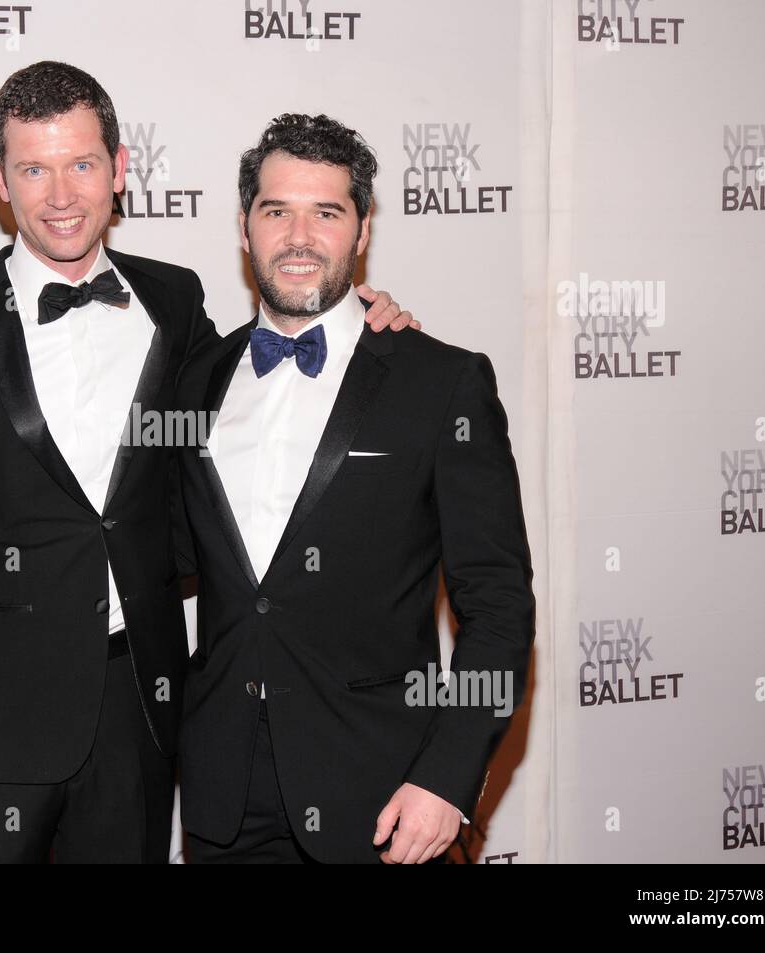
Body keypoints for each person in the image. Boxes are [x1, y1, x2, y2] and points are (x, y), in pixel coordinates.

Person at [0, 62, 418, 863]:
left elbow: (263, 375)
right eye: (34, 168)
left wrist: (358, 318)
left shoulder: (175, 301)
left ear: (120, 169)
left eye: (82, 164)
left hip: (141, 706)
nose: (60, 195)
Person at [176, 113, 535, 863]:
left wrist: (447, 777)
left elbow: (498, 606)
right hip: (222, 801)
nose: (299, 236)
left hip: (384, 798)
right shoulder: (197, 378)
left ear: (362, 229)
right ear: (245, 228)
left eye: (327, 212)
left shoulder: (440, 381)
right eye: (277, 210)